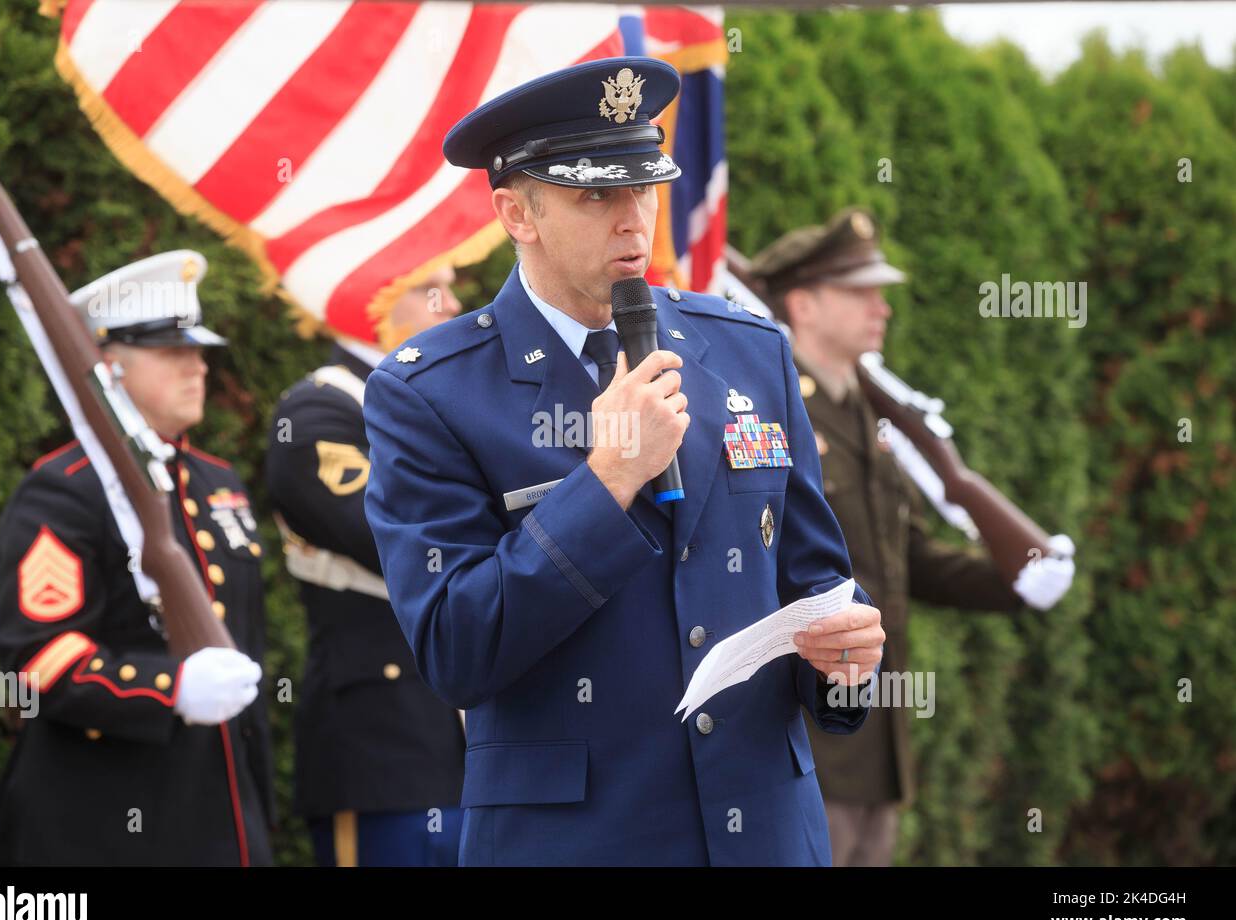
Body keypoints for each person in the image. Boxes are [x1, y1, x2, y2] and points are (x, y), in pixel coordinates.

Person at [360, 57, 886, 866]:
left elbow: (814, 585)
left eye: (645, 189)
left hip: (767, 836)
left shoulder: (750, 352)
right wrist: (606, 481)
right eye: (596, 195)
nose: (635, 222)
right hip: (575, 842)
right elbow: (456, 649)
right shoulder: (428, 392)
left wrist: (844, 662)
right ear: (516, 214)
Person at [750, 209, 1076, 866]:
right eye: (860, 292)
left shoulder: (872, 417)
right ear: (804, 304)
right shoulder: (771, 411)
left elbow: (910, 562)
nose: (883, 308)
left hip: (877, 743)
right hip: (805, 737)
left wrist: (1014, 582)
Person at [0, 251, 273, 866]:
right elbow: (41, 658)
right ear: (108, 367)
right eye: (172, 352)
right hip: (103, 821)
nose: (198, 366)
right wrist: (171, 688)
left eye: (198, 350)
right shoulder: (65, 489)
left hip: (222, 813)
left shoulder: (218, 481)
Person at [267, 267, 467, 867]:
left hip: (473, 746)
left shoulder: (447, 402)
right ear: (366, 298)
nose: (452, 304)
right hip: (383, 748)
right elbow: (396, 537)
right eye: (430, 287)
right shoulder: (316, 411)